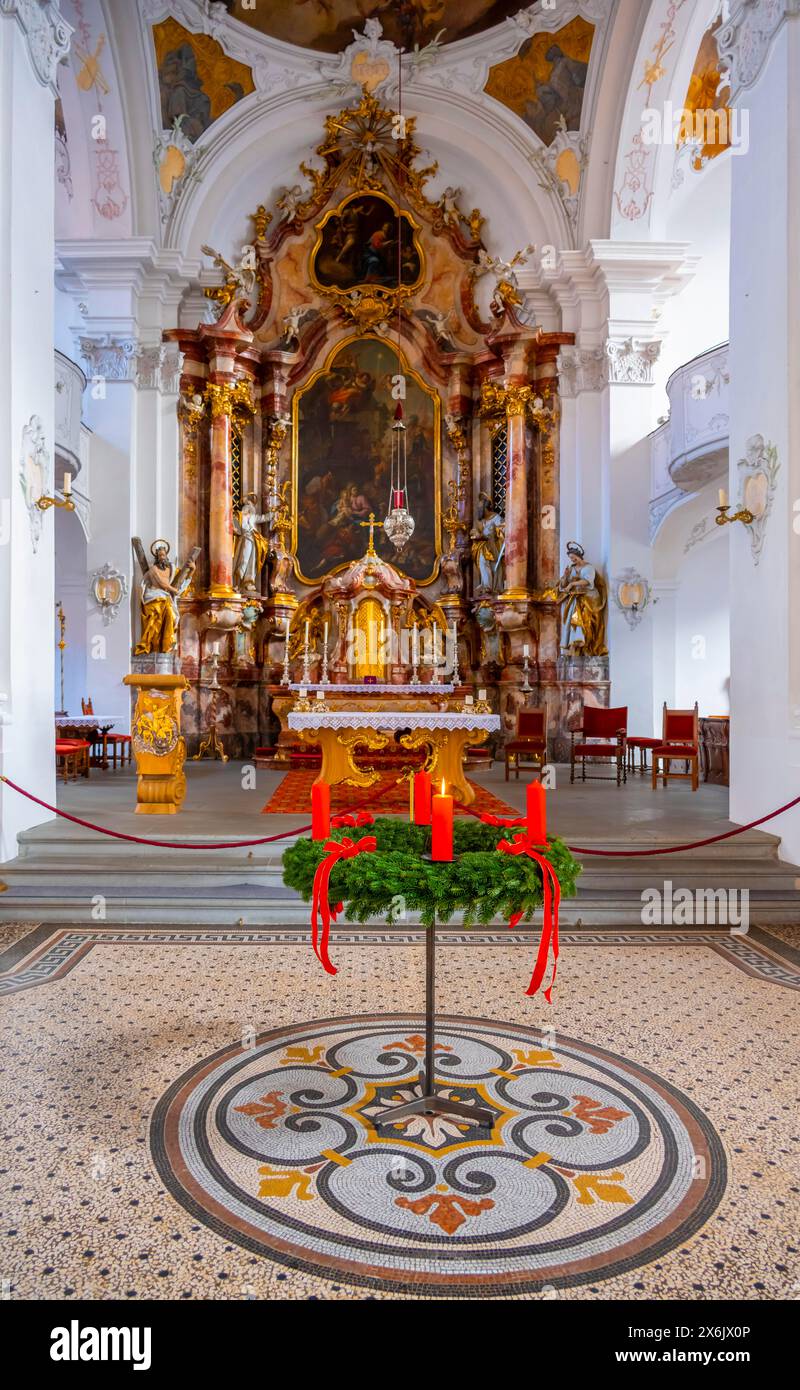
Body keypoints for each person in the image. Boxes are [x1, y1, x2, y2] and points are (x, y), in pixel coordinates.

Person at [134, 541, 195, 655]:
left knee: (170, 615)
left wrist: (192, 570)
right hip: (152, 598)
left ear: (166, 555)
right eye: (160, 555)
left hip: (165, 597)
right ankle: (152, 647)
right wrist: (173, 590)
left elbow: (181, 583)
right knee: (156, 619)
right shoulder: (153, 570)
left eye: (163, 555)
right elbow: (163, 584)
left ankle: (166, 646)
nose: (162, 557)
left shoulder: (171, 568)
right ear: (157, 557)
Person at [553, 541, 608, 655]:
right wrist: (566, 576)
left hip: (590, 599)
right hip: (576, 599)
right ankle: (577, 645)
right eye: (571, 558)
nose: (572, 560)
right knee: (574, 621)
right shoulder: (571, 568)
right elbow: (563, 584)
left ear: (579, 556)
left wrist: (572, 584)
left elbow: (587, 581)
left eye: (573, 558)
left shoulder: (589, 568)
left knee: (587, 622)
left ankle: (588, 647)